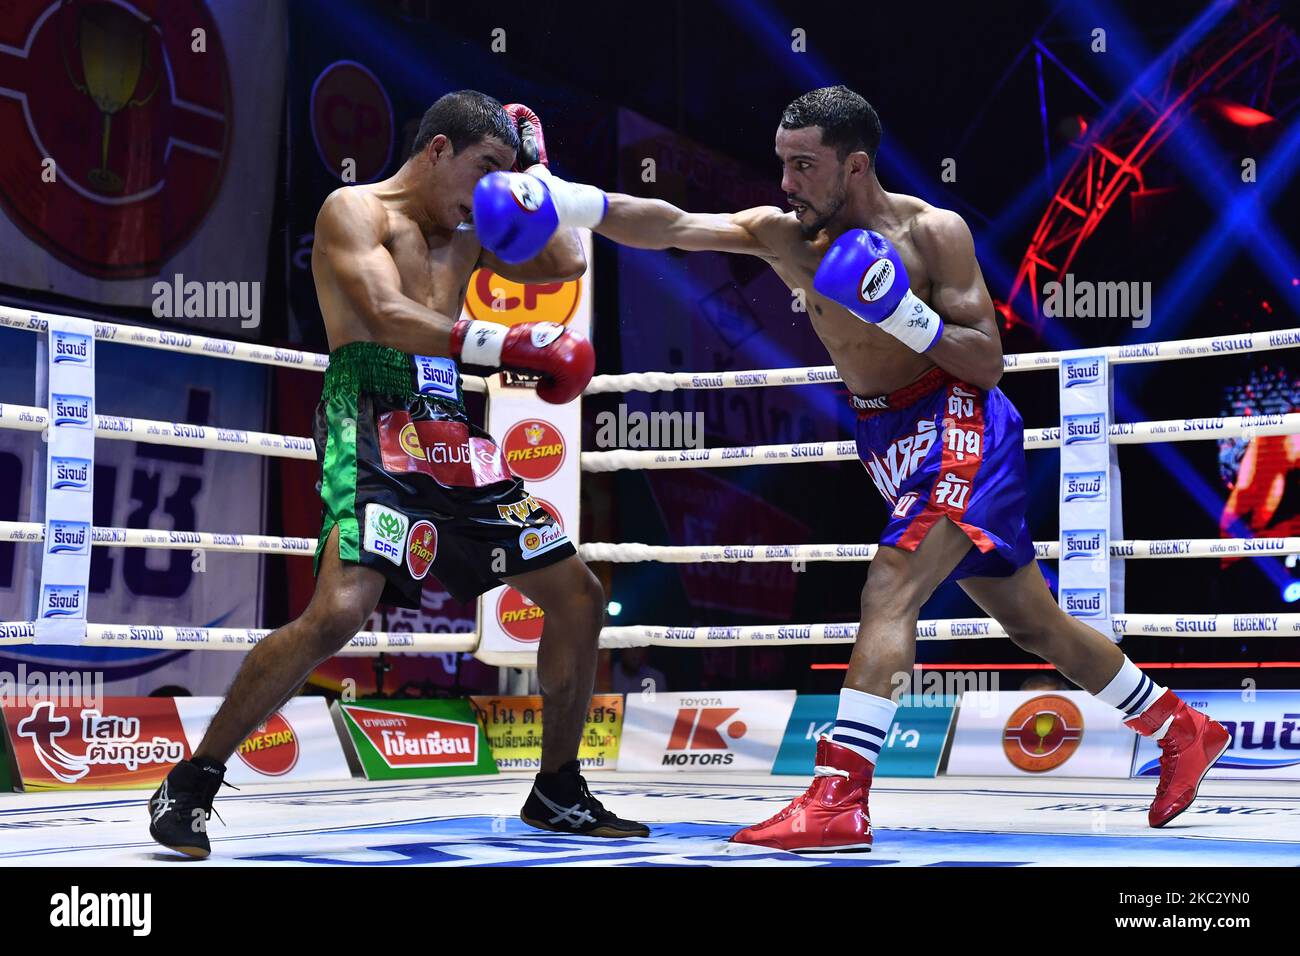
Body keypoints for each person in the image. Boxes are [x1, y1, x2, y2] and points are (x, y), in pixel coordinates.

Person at [472, 85, 1230, 852]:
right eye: (783, 165)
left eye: (805, 166)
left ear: (856, 166)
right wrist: (567, 199)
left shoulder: (935, 234)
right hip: (886, 436)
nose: (788, 183)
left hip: (956, 418)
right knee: (1031, 622)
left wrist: (901, 309)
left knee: (889, 586)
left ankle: (839, 796)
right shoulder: (785, 235)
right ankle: (1182, 728)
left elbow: (988, 363)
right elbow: (674, 227)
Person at [148, 91, 647, 858]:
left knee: (576, 595)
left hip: (451, 427)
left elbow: (567, 260)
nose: (490, 193)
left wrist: (536, 176)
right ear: (438, 149)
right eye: (486, 171)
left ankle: (558, 791)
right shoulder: (355, 209)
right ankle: (193, 781)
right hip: (370, 415)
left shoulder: (474, 223)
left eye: (502, 180)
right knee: (341, 612)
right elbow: (383, 312)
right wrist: (506, 347)